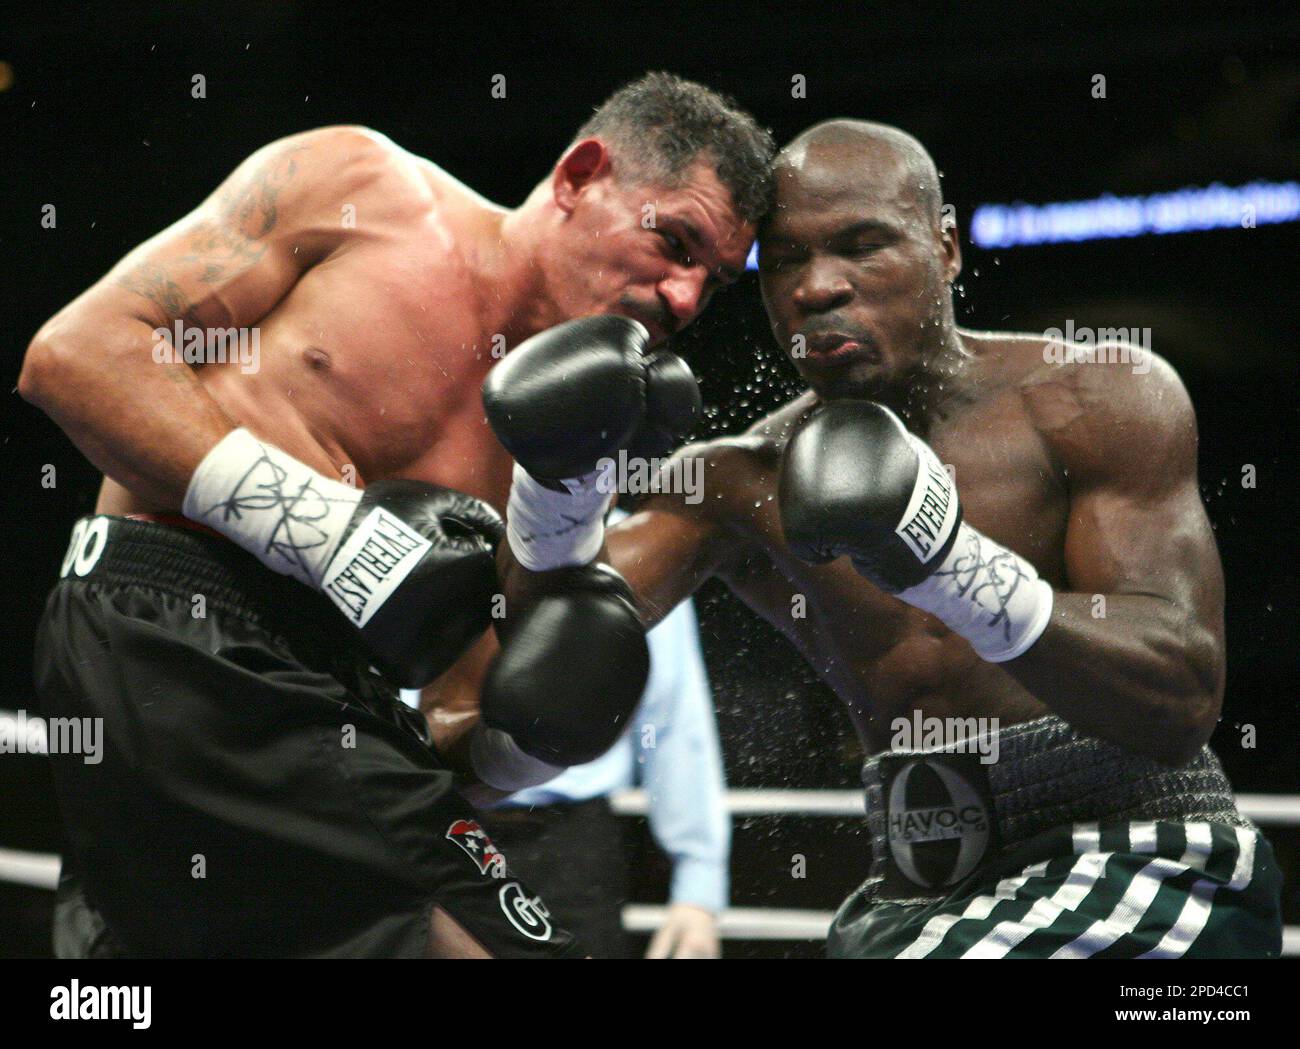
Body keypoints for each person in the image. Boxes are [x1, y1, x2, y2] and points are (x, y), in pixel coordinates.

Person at [444, 119, 1284, 958]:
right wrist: (557, 485)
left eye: (861, 245)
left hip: (1138, 864)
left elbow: (1180, 698)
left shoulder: (1095, 398)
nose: (817, 288)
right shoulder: (736, 482)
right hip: (914, 894)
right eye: (783, 262)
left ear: (946, 247)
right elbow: (541, 652)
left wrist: (947, 562)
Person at [19, 73, 773, 957]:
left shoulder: (571, 454)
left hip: (333, 694)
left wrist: (523, 750)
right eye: (675, 242)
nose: (685, 299)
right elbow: (72, 358)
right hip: (168, 620)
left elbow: (451, 720)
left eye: (715, 282)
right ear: (580, 175)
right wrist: (332, 535)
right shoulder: (364, 189)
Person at [413, 512, 729, 959]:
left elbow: (672, 725)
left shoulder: (641, 541)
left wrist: (698, 889)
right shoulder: (428, 527)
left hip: (570, 844)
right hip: (433, 827)